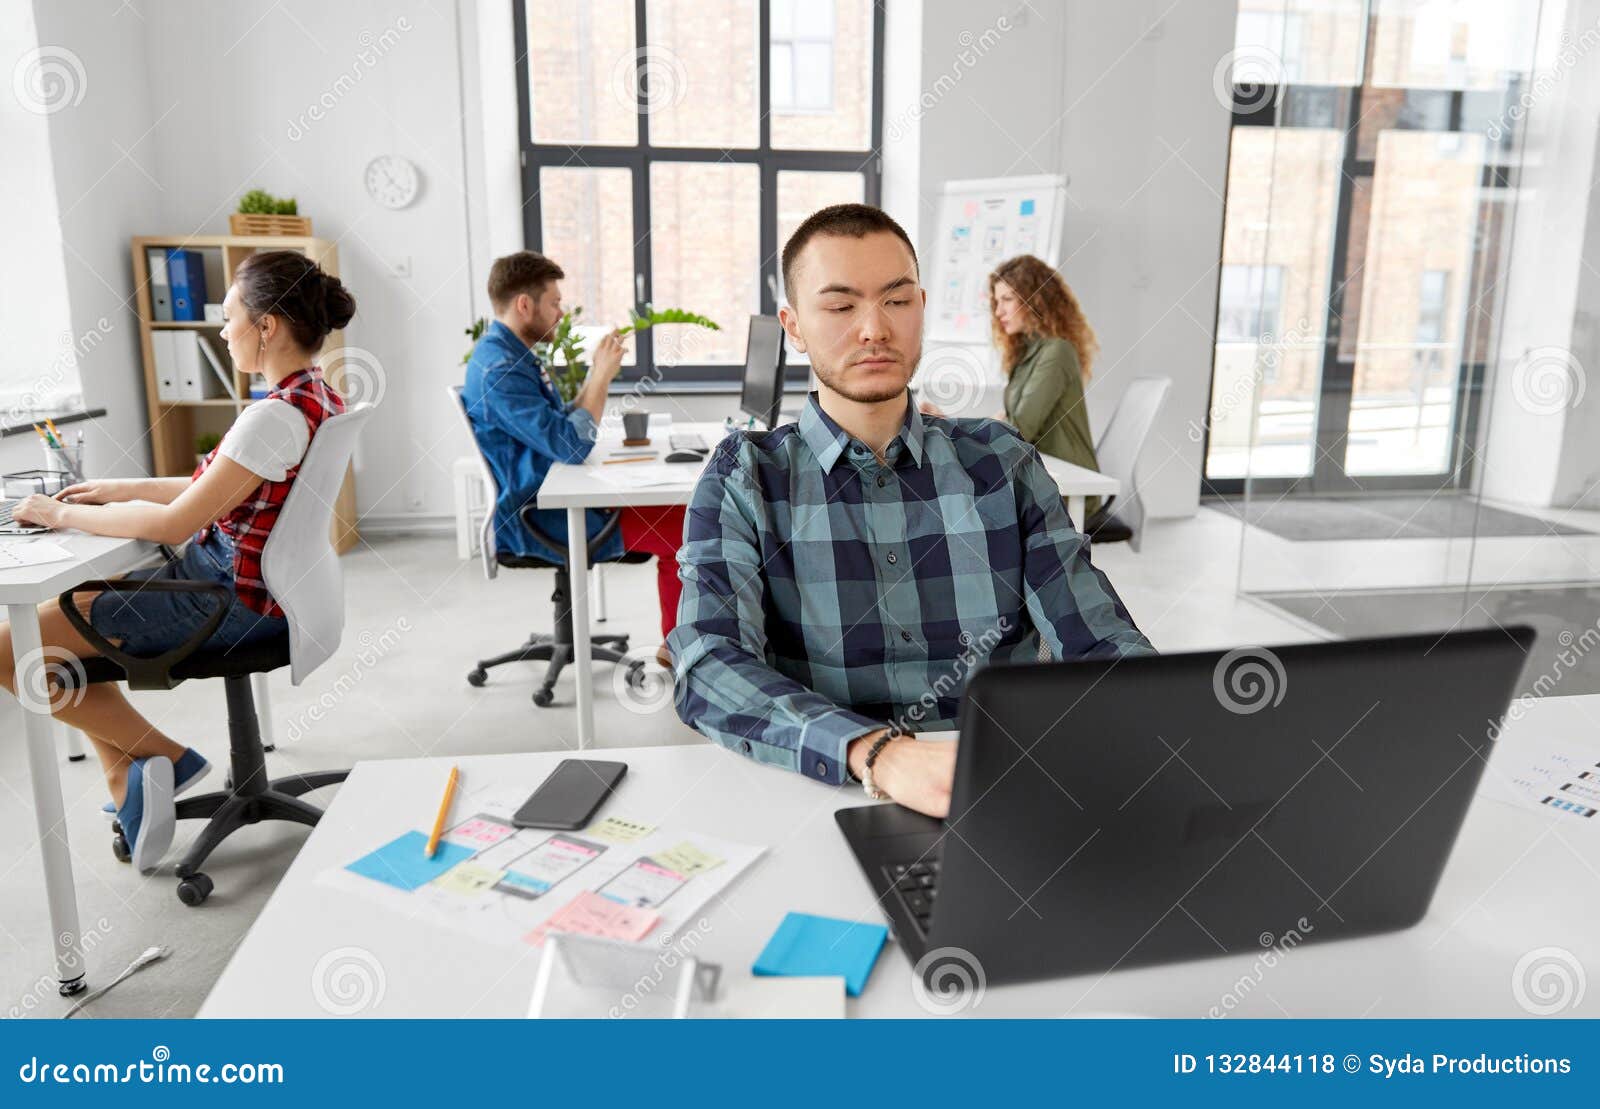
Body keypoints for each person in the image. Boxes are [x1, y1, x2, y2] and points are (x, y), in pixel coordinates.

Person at [669, 205, 1154, 818]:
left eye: (896, 301)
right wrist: (878, 754)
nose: (874, 329)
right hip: (821, 794)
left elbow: (1098, 636)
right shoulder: (747, 476)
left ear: (922, 306)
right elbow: (706, 662)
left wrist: (1153, 713)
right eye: (841, 306)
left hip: (999, 793)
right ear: (794, 326)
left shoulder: (1000, 463)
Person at [0, 251, 354, 872]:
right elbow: (208, 488)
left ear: (267, 326)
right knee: (62, 631)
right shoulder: (315, 397)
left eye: (230, 317)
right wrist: (114, 488)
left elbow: (176, 523)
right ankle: (130, 780)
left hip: (227, 603)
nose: (221, 332)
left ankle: (162, 755)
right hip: (266, 593)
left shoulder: (270, 417)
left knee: (12, 648)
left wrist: (62, 516)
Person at [461, 252, 685, 661]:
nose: (561, 313)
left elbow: (563, 423)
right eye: (554, 302)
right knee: (687, 531)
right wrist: (601, 376)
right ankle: (680, 651)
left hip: (553, 495)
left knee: (678, 516)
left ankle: (679, 645)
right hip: (539, 516)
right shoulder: (502, 370)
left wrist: (595, 375)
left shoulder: (509, 355)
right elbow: (572, 446)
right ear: (524, 305)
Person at [923, 254, 1105, 520]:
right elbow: (1005, 421)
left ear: (1035, 299)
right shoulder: (1028, 355)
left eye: (1007, 300)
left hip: (1070, 490)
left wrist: (952, 428)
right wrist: (948, 422)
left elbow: (1019, 428)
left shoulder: (1056, 352)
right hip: (1042, 476)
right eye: (997, 302)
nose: (999, 311)